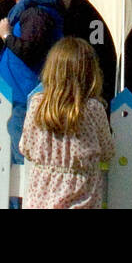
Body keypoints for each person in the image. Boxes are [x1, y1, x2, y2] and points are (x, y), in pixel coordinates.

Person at [0, 0, 72, 205]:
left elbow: (29, 50)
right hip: (20, 94)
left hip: (24, 97)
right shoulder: (35, 11)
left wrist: (5, 36)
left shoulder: (36, 13)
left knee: (20, 160)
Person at [18, 37, 114, 209]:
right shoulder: (92, 109)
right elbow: (107, 150)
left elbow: (26, 148)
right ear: (90, 73)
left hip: (41, 198)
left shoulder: (37, 105)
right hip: (81, 198)